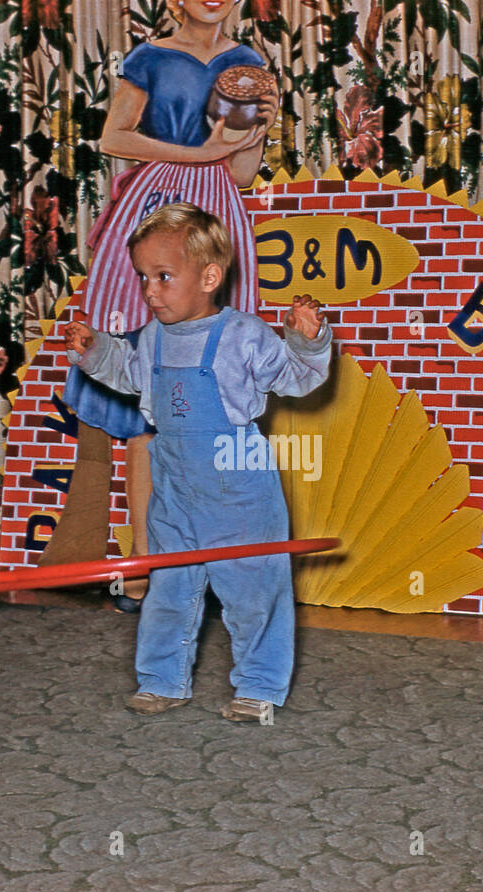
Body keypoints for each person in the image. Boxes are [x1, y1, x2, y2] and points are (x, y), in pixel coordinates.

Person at [65, 203, 329, 722]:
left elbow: (299, 378)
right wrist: (94, 350)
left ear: (210, 276)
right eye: (144, 277)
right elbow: (126, 372)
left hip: (239, 493)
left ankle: (258, 685)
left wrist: (306, 339)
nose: (150, 291)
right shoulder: (154, 336)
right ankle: (162, 679)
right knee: (169, 589)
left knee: (253, 591)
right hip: (176, 488)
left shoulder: (244, 335)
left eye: (164, 276)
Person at [58, 0, 279, 611]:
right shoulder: (150, 57)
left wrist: (251, 134)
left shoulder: (246, 64)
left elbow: (240, 173)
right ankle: (141, 568)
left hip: (215, 217)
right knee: (145, 403)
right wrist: (202, 154)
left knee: (206, 398)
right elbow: (114, 136)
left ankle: (197, 570)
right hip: (153, 211)